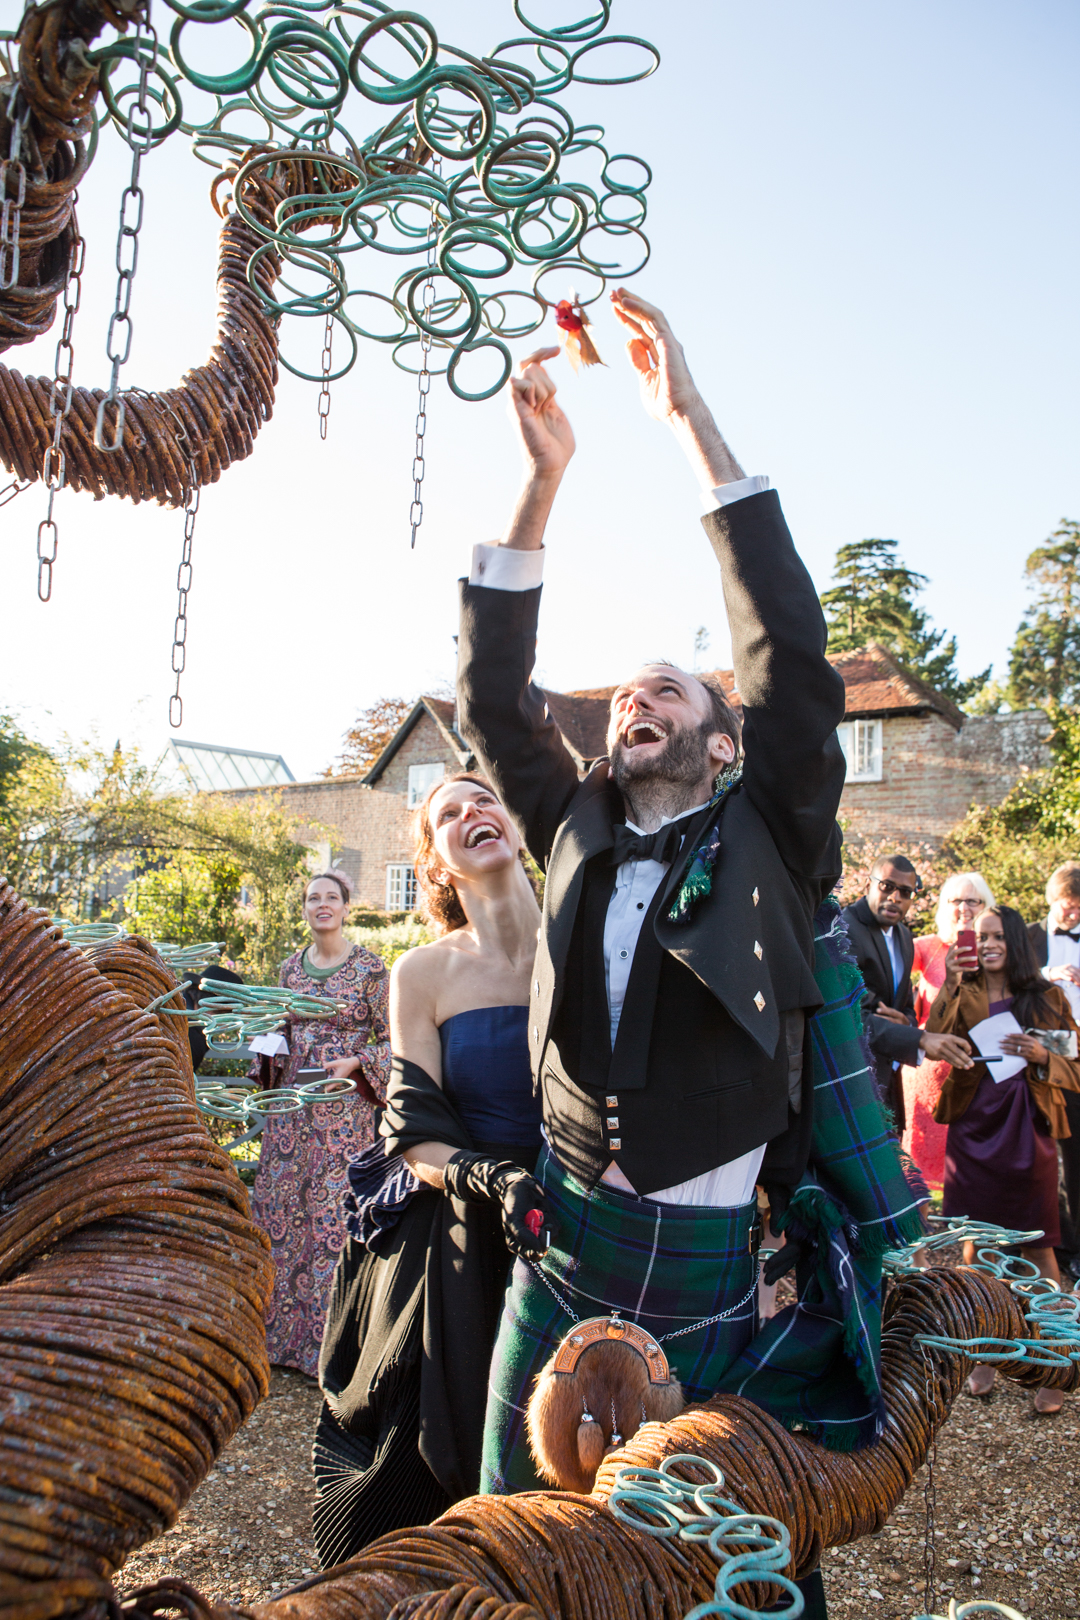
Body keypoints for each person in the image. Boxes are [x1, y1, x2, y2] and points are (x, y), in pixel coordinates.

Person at [456, 289, 923, 1620]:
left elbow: (788, 650)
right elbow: (495, 693)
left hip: (716, 1266)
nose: (636, 700)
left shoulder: (776, 834)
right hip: (568, 1247)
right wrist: (541, 477)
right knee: (520, 1538)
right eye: (626, 694)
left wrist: (687, 420)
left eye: (670, 687)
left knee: (724, 1558)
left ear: (724, 741)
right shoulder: (577, 825)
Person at [314, 775, 544, 1562]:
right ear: (437, 864)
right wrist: (497, 1180)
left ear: (517, 824)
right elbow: (415, 1130)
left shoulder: (589, 945)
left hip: (587, 1216)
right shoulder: (422, 974)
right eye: (448, 813)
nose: (472, 812)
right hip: (464, 1224)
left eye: (485, 799)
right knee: (443, 1461)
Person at [927, 903, 1080, 1411]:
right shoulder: (963, 991)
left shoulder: (1048, 997)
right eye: (981, 937)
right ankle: (985, 1352)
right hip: (974, 1127)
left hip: (1027, 1128)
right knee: (975, 1248)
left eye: (997, 937)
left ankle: (1056, 1363)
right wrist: (950, 979)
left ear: (1015, 942)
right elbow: (933, 1040)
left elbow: (1074, 1066)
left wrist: (1042, 1057)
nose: (988, 944)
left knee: (1039, 1247)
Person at [249, 870, 390, 1376]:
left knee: (335, 1220)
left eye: (331, 897)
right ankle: (277, 1344)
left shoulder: (372, 970)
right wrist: (266, 1048)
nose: (322, 905)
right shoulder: (289, 969)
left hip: (344, 1117)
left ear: (346, 908)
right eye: (313, 898)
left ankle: (330, 1355)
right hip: (292, 1116)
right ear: (305, 909)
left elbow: (394, 1040)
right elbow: (276, 1033)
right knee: (283, 1215)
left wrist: (356, 1063)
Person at [841, 855, 969, 1134]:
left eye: (905, 892)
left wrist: (908, 1023)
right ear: (867, 885)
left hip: (890, 1079)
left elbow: (907, 1009)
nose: (895, 897)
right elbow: (850, 1017)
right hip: (852, 1082)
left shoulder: (903, 936)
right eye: (887, 886)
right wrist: (919, 1038)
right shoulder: (844, 930)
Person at [899, 871, 996, 1188]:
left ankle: (972, 1233)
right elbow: (881, 964)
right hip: (928, 1072)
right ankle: (920, 1230)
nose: (964, 908)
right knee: (918, 1173)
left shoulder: (998, 950)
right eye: (956, 900)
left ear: (985, 905)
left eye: (973, 900)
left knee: (975, 1170)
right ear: (945, 905)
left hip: (979, 1072)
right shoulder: (927, 947)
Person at [1028, 861, 1080, 1265]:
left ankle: (1074, 1244)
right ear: (1052, 899)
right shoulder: (1028, 938)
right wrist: (1048, 972)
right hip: (1041, 1054)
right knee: (1045, 1151)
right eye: (1069, 906)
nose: (1075, 914)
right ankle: (1047, 1241)